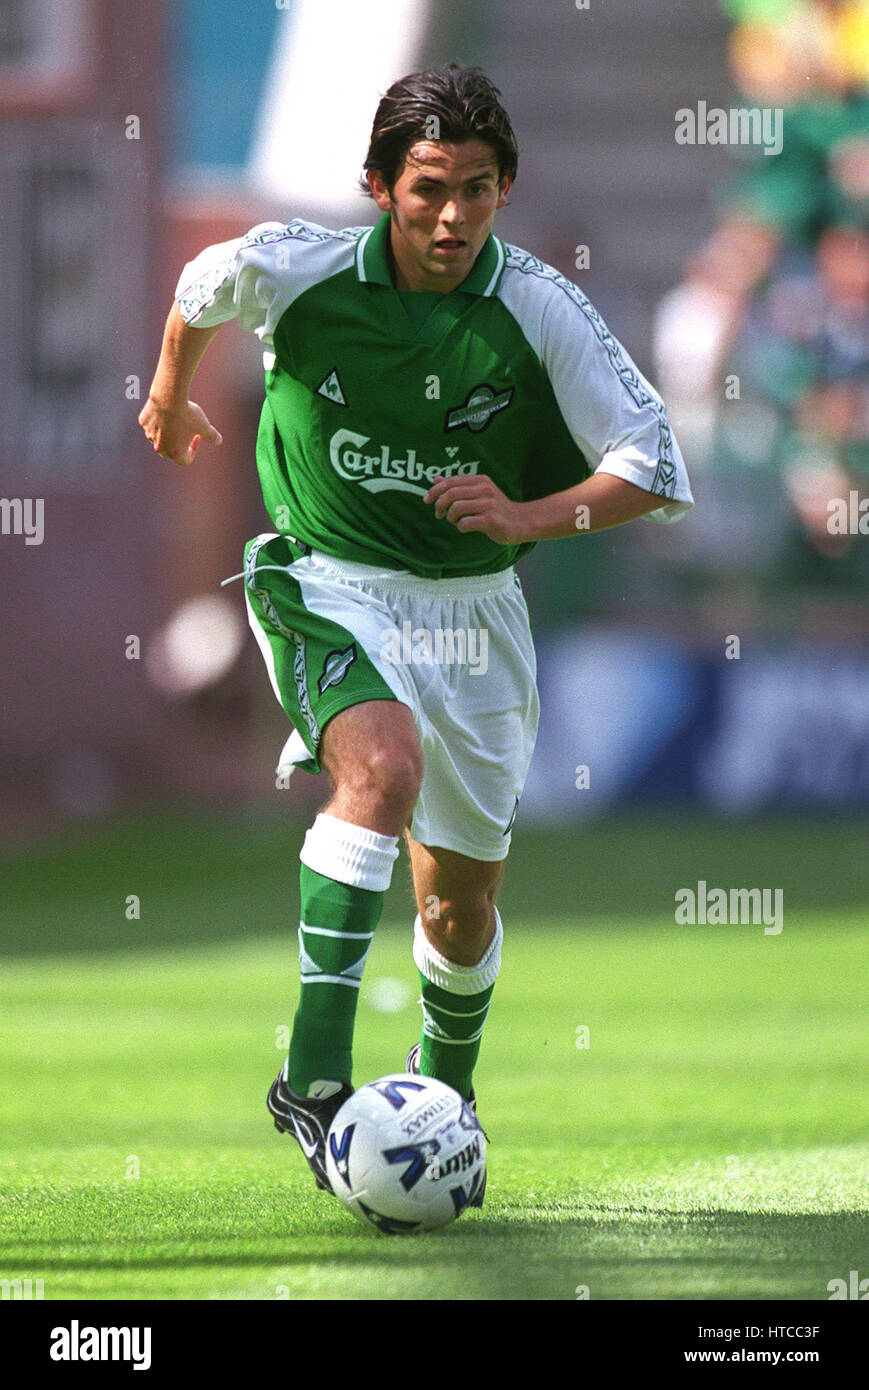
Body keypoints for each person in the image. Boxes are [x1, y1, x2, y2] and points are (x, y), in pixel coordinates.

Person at [139, 63, 693, 1204]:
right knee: (378, 773)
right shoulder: (298, 268)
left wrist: (528, 514)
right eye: (429, 187)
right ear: (380, 185)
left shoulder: (538, 305)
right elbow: (201, 285)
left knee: (457, 904)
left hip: (474, 613)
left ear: (505, 189)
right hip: (324, 577)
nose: (451, 216)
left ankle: (447, 1101)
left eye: (478, 191)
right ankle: (312, 1076)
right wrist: (165, 393)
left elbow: (651, 465)